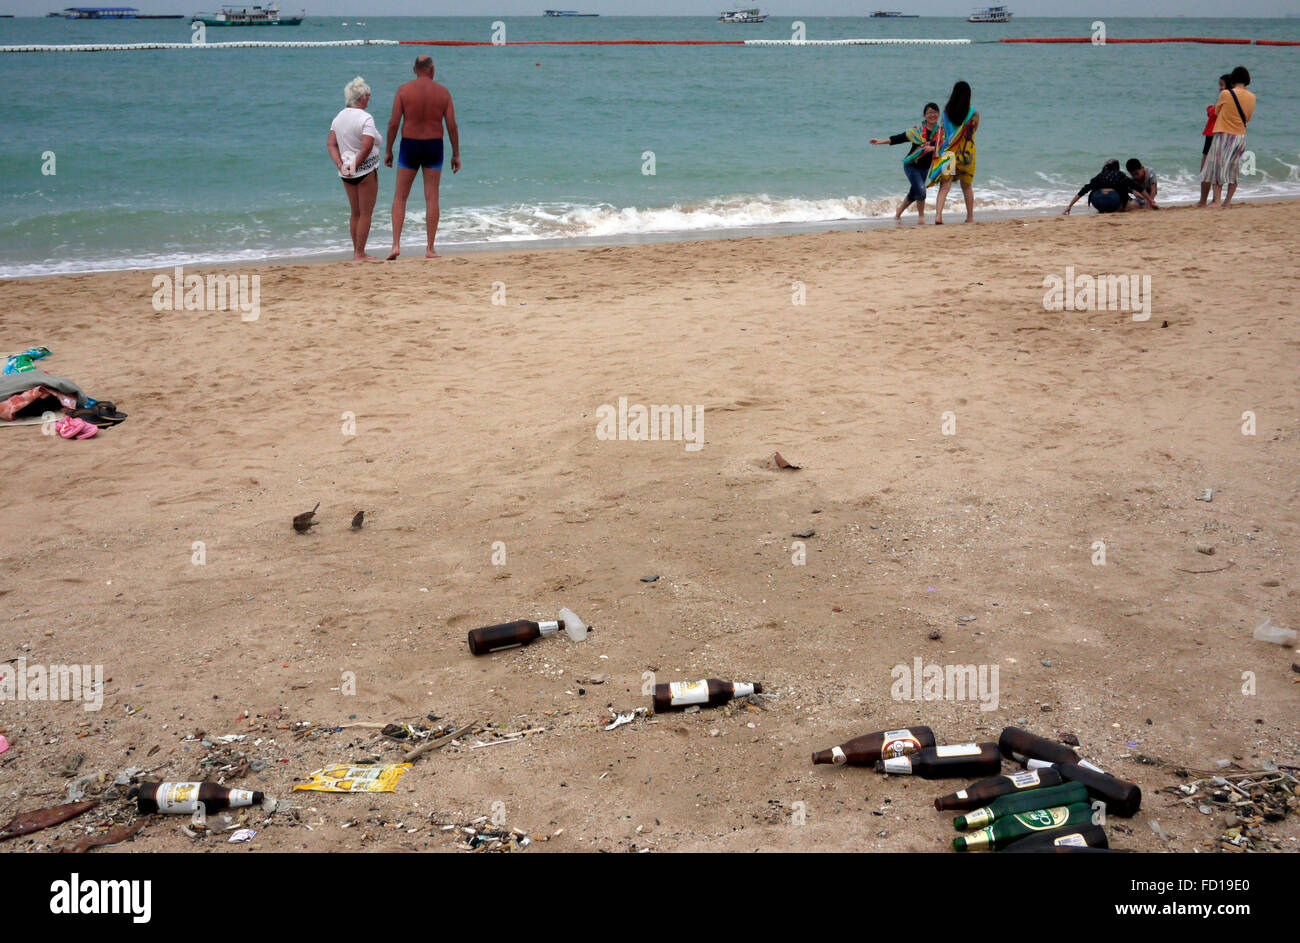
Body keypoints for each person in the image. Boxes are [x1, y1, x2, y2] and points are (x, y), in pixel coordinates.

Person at [385, 55, 461, 260]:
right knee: (432, 196)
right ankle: (429, 248)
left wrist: (388, 150)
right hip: (433, 145)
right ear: (431, 69)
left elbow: (393, 123)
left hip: (410, 145)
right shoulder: (443, 93)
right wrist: (456, 153)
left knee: (400, 196)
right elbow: (452, 125)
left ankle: (395, 245)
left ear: (415, 69)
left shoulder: (404, 90)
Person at [327, 77, 383, 261]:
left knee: (355, 212)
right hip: (365, 169)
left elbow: (332, 144)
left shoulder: (338, 117)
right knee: (366, 212)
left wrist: (341, 164)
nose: (369, 99)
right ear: (361, 98)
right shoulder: (365, 118)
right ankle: (360, 253)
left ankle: (356, 250)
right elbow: (367, 146)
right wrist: (357, 164)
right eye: (368, 96)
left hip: (347, 172)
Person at [870, 102, 940, 224]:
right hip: (911, 166)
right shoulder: (916, 131)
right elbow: (899, 138)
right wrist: (880, 141)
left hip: (925, 168)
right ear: (925, 115)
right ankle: (921, 217)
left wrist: (933, 149)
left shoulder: (941, 133)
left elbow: (945, 148)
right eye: (929, 112)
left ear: (938, 114)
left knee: (914, 192)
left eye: (934, 112)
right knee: (921, 191)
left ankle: (898, 213)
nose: (932, 115)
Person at [1199, 65, 1255, 210]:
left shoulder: (1226, 94)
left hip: (1224, 134)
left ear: (1233, 79)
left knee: (1218, 168)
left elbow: (1217, 111)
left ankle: (1217, 201)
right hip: (1241, 135)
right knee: (1233, 169)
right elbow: (1248, 118)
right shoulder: (1252, 97)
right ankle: (1227, 201)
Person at [928, 81, 979, 225]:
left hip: (949, 153)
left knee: (945, 186)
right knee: (967, 186)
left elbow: (943, 133)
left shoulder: (945, 113)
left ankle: (938, 216)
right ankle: (970, 217)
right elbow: (974, 130)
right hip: (967, 154)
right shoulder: (973, 113)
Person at [1062, 159, 1140, 215]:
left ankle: (1104, 210)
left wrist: (1069, 206)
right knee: (1133, 204)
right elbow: (1133, 188)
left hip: (1097, 201)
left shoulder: (1099, 176)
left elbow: (1083, 191)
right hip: (1113, 200)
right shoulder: (1119, 175)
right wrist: (1148, 199)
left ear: (1106, 167)